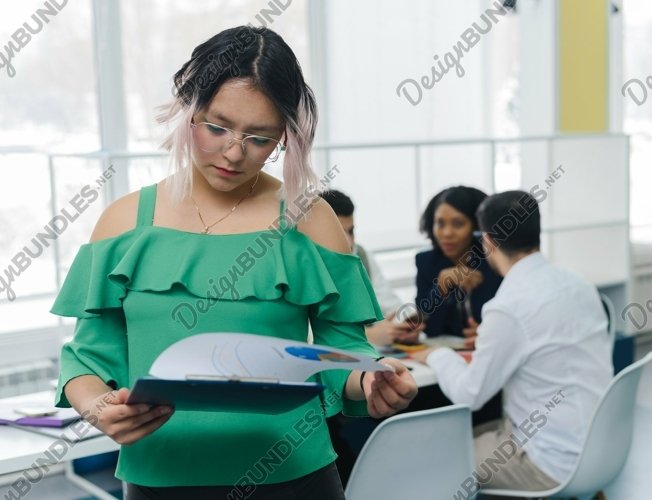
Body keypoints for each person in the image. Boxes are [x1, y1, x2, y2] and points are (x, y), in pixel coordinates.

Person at [52, 25, 416, 500]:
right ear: (189, 111)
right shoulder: (124, 223)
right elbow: (86, 358)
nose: (233, 153)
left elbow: (339, 357)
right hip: (159, 480)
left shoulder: (310, 221)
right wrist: (98, 406)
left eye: (260, 138)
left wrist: (372, 380)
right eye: (216, 127)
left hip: (295, 479)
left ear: (285, 136)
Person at [411, 190, 613, 491]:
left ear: (487, 240)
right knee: (481, 433)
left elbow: (469, 395)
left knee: (434, 456)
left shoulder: (508, 306)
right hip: (601, 447)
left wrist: (436, 355)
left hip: (547, 461)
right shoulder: (579, 285)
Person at [320, 189, 422, 346]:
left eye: (351, 231)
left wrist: (404, 327)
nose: (348, 241)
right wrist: (368, 336)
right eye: (339, 232)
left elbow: (389, 305)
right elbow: (306, 338)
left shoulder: (361, 255)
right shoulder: (299, 265)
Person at [414, 186, 502, 344]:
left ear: (477, 226)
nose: (447, 233)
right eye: (440, 224)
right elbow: (429, 329)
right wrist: (440, 290)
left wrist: (490, 333)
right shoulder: (426, 262)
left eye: (458, 224)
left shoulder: (495, 262)